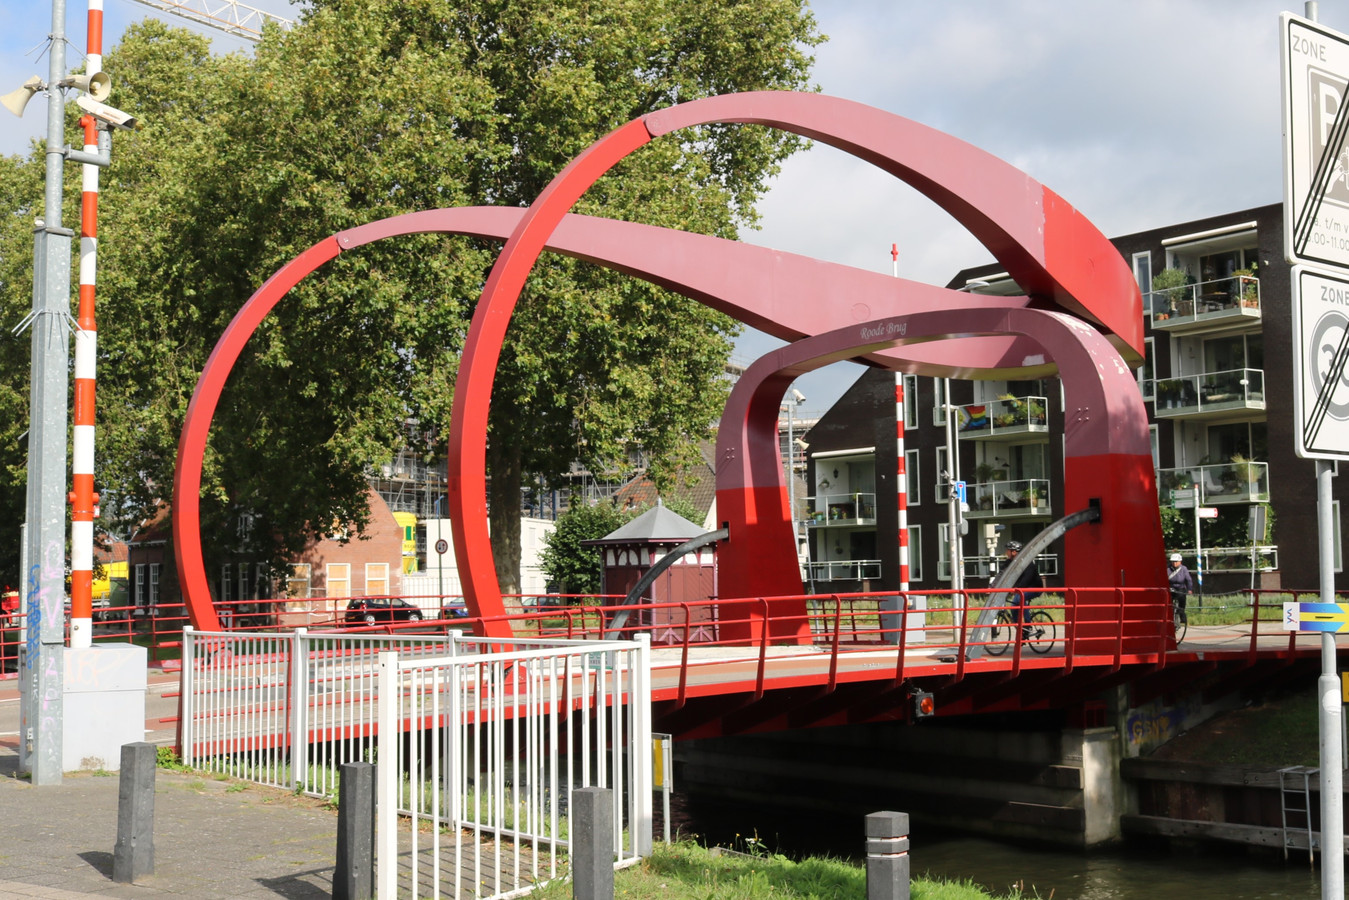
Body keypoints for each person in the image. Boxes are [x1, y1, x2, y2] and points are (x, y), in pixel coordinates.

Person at [1002, 541, 1043, 639]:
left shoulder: (1027, 562)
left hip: (1035, 587)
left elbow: (1027, 578)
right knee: (1014, 607)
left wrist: (1016, 588)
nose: (1006, 552)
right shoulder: (1009, 562)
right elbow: (1002, 575)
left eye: (1008, 550)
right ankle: (1021, 631)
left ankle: (1028, 625)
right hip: (1022, 588)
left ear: (1014, 552)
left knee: (1019, 599)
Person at [1167, 552, 1192, 623]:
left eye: (1176, 561)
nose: (1174, 563)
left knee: (1182, 600)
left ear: (1180, 562)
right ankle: (1169, 617)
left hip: (1180, 588)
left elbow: (1188, 580)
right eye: (1173, 561)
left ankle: (1182, 616)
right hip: (1171, 588)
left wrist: (1189, 589)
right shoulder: (1168, 569)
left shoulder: (1184, 569)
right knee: (1169, 602)